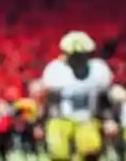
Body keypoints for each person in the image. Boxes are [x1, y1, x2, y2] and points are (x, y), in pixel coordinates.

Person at [41, 31, 115, 161]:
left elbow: (104, 99)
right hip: (61, 119)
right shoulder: (55, 71)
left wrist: (109, 119)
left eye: (80, 55)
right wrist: (41, 123)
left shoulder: (98, 70)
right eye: (73, 55)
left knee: (90, 149)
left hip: (88, 119)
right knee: (59, 153)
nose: (77, 59)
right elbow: (49, 100)